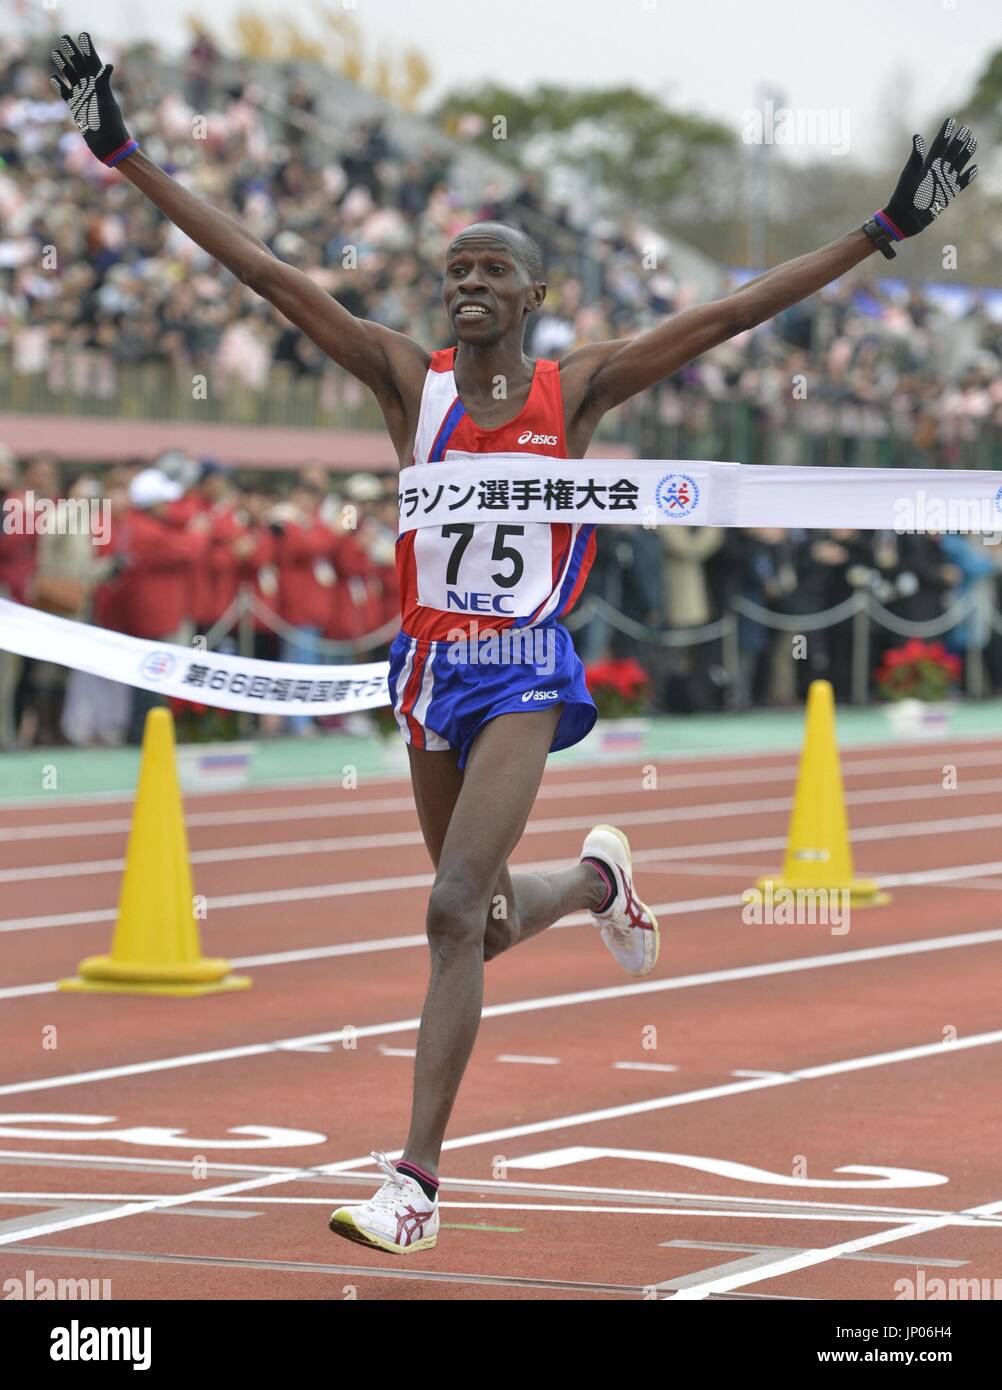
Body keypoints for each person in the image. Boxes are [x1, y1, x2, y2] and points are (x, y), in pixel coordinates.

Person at [48, 32, 979, 1253]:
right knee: (479, 923)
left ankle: (416, 1184)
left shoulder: (575, 391)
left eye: (494, 270)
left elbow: (735, 310)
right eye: (455, 270)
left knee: (444, 910)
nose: (468, 282)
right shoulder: (405, 381)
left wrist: (884, 231)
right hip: (428, 668)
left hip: (525, 668)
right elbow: (269, 275)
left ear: (535, 301)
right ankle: (599, 882)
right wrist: (124, 157)